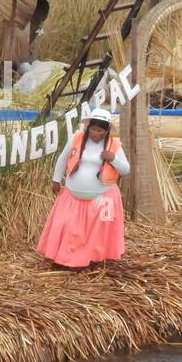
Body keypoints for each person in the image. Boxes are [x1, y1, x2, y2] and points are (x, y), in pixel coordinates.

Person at [37, 107, 129, 269]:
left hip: (102, 197)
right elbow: (63, 159)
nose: (95, 133)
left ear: (106, 131)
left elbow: (126, 170)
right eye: (93, 129)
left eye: (100, 130)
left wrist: (113, 158)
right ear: (88, 127)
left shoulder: (114, 146)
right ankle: (65, 259)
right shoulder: (76, 139)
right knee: (69, 228)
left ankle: (92, 259)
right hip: (72, 196)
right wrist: (56, 179)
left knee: (96, 233)